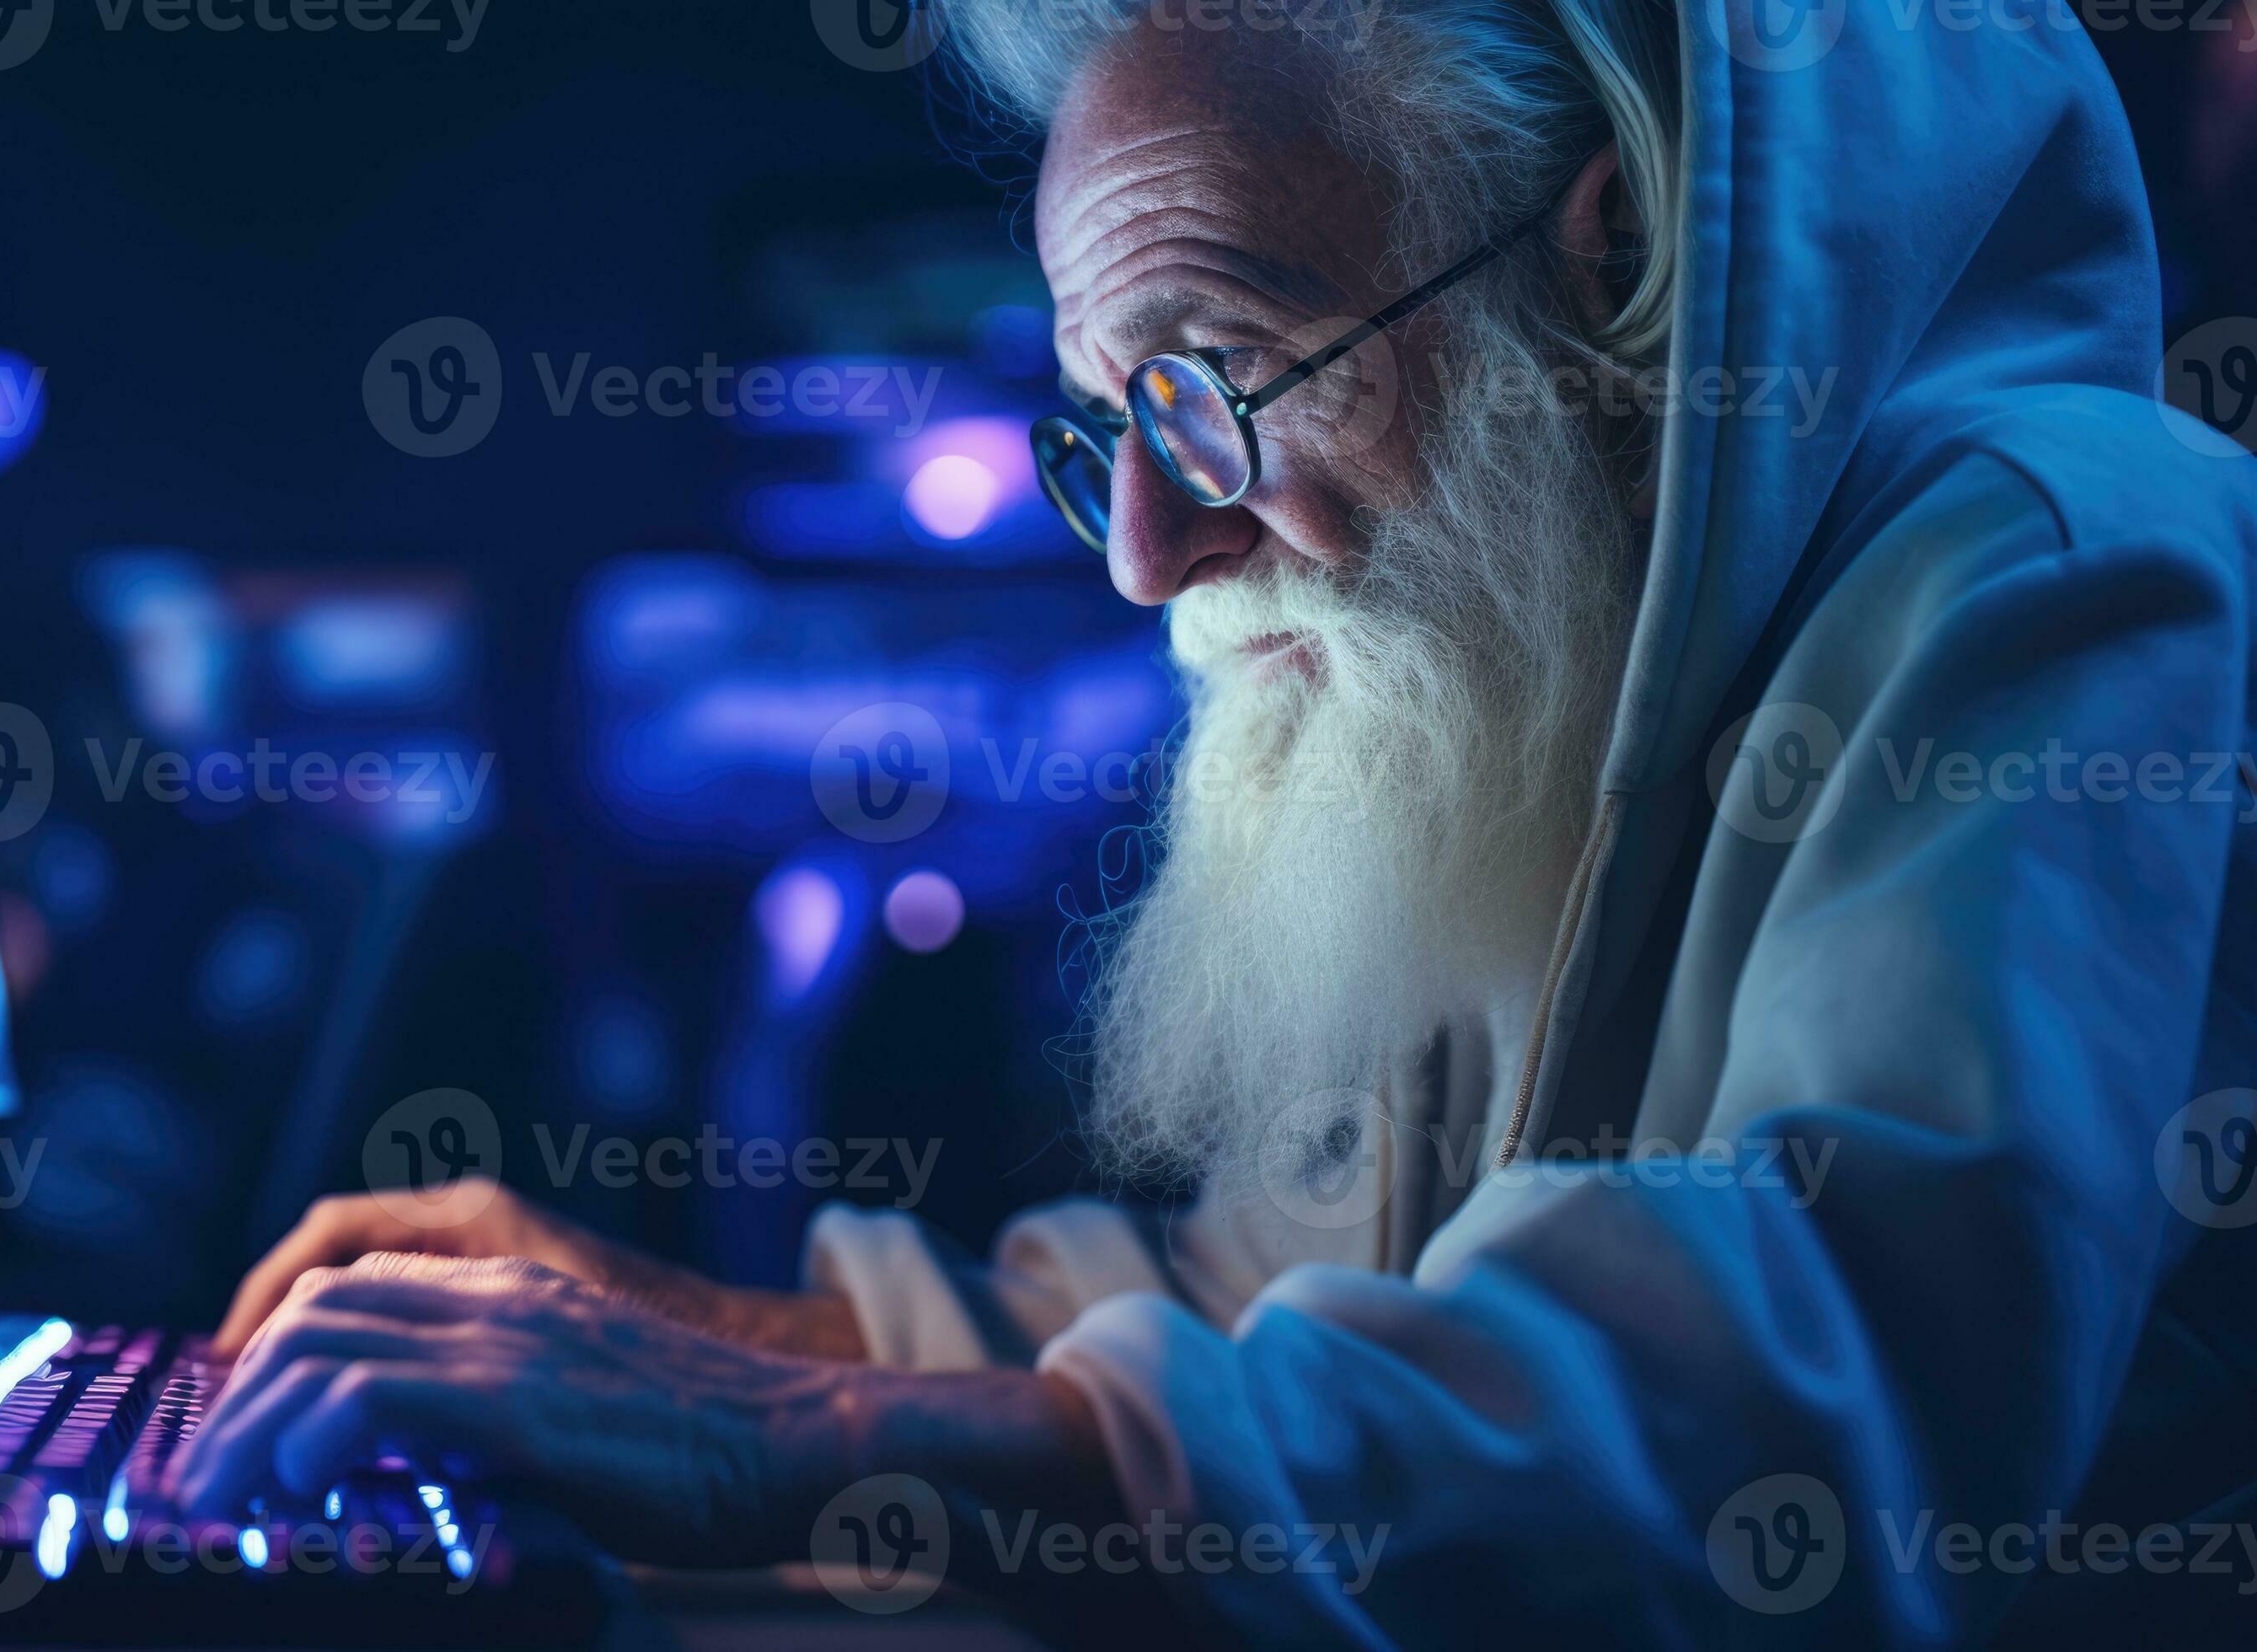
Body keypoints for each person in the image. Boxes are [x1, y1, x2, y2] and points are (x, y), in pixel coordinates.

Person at [174, 2, 2257, 1639]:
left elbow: (1799, 1408)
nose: (1146, 556)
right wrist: (649, 1323)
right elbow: (1269, 1311)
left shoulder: (2059, 553)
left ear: (1607, 237)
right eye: (1110, 426)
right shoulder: (1568, 649)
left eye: (1221, 375)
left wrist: (780, 1429)